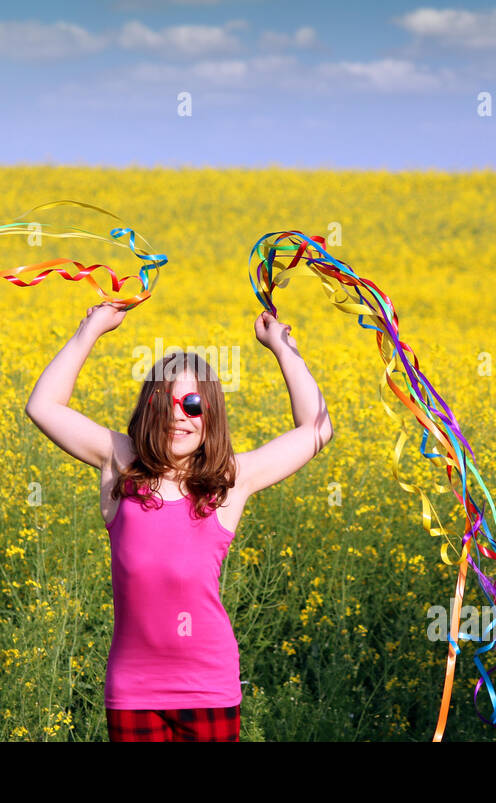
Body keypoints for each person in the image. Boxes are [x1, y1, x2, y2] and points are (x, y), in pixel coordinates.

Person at [25, 302, 334, 741]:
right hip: (134, 691)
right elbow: (43, 406)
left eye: (193, 404)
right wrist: (90, 330)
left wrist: (284, 350)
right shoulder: (120, 462)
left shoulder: (230, 481)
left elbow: (317, 429)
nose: (179, 416)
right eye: (164, 401)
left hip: (208, 689)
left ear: (211, 414)